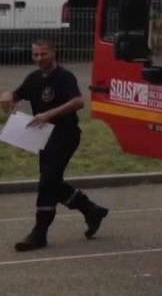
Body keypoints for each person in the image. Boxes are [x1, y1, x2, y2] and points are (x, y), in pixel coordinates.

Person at [0, 39, 109, 251]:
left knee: (47, 182)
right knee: (51, 181)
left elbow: (78, 101)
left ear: (53, 53)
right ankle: (91, 210)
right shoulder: (33, 78)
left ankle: (39, 233)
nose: (39, 59)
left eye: (44, 54)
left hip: (65, 135)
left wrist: (48, 114)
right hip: (43, 136)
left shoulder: (64, 77)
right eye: (36, 55)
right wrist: (7, 96)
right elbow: (16, 95)